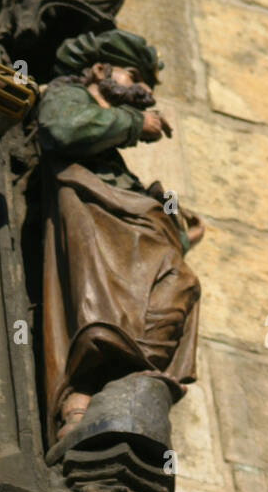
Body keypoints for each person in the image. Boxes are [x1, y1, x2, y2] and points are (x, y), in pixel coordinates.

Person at [37, 29, 203, 445]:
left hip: (121, 219)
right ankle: (83, 398)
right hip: (92, 212)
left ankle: (131, 377)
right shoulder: (66, 94)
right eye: (135, 76)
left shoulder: (110, 145)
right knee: (103, 316)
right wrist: (133, 123)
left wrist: (181, 235)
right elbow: (60, 129)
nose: (144, 91)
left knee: (182, 282)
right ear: (98, 69)